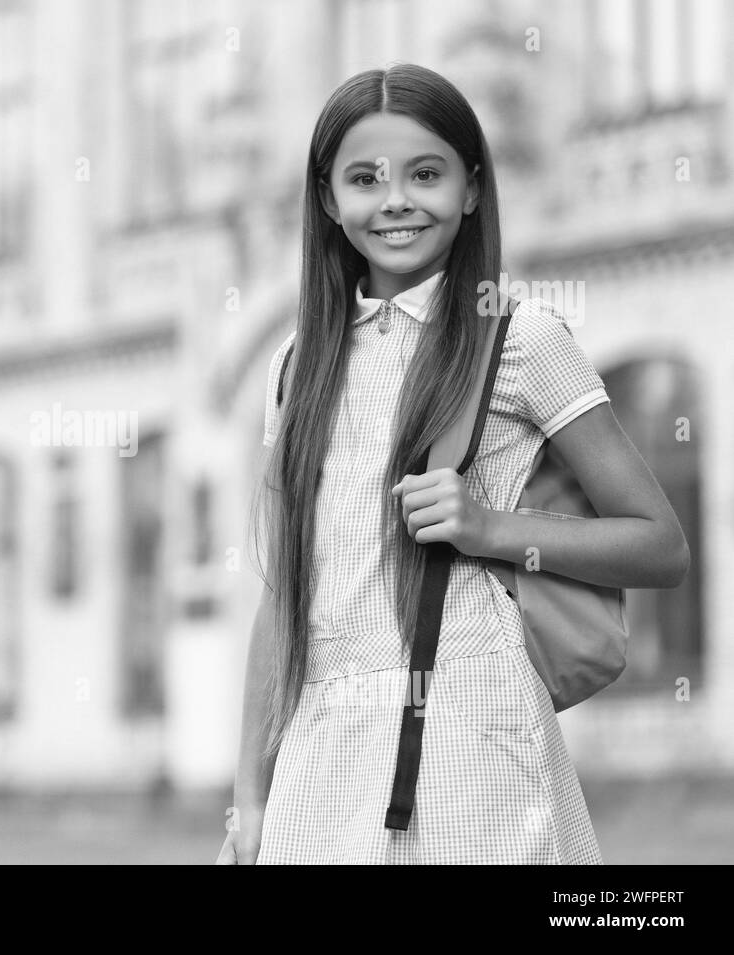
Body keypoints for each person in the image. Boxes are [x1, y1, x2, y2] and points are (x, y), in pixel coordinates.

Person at [216, 63, 689, 864]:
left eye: (425, 173)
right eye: (365, 178)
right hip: (320, 752)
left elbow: (660, 545)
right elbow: (281, 592)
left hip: (473, 735)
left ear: (472, 188)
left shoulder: (522, 340)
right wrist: (250, 799)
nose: (395, 198)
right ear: (329, 201)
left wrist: (490, 527)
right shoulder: (296, 366)